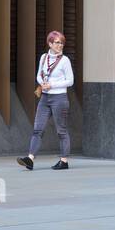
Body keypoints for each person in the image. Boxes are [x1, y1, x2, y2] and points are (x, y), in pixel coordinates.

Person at [17, 31, 74, 171]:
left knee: (61, 130)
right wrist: (42, 83)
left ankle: (64, 160)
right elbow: (39, 75)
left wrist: (52, 85)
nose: (60, 45)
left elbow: (70, 81)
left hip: (59, 98)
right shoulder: (44, 58)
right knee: (37, 129)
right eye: (57, 42)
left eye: (61, 43)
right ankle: (30, 159)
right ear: (50, 43)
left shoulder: (65, 60)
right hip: (45, 98)